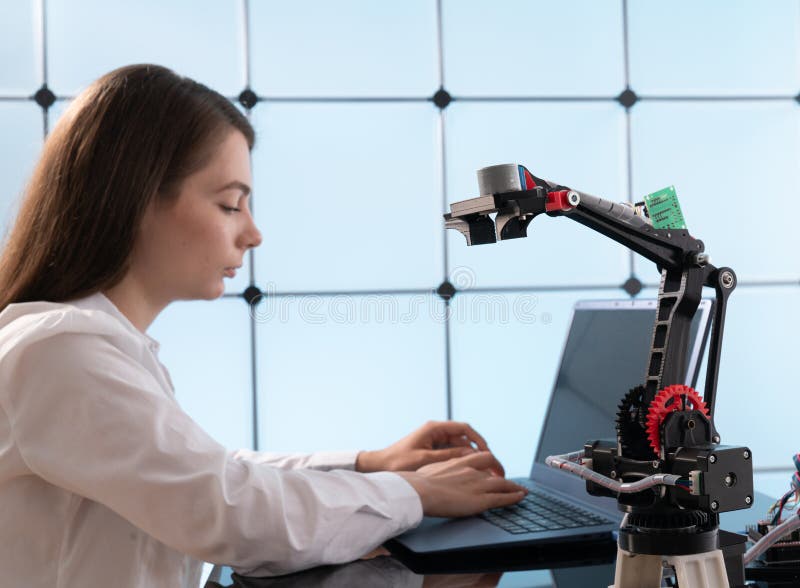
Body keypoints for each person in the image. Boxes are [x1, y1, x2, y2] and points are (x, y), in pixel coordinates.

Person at [0, 64, 526, 588]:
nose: (253, 233)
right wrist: (414, 494)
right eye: (230, 204)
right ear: (137, 197)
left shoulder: (86, 346)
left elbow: (209, 471)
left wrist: (371, 465)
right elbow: (228, 511)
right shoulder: (59, 350)